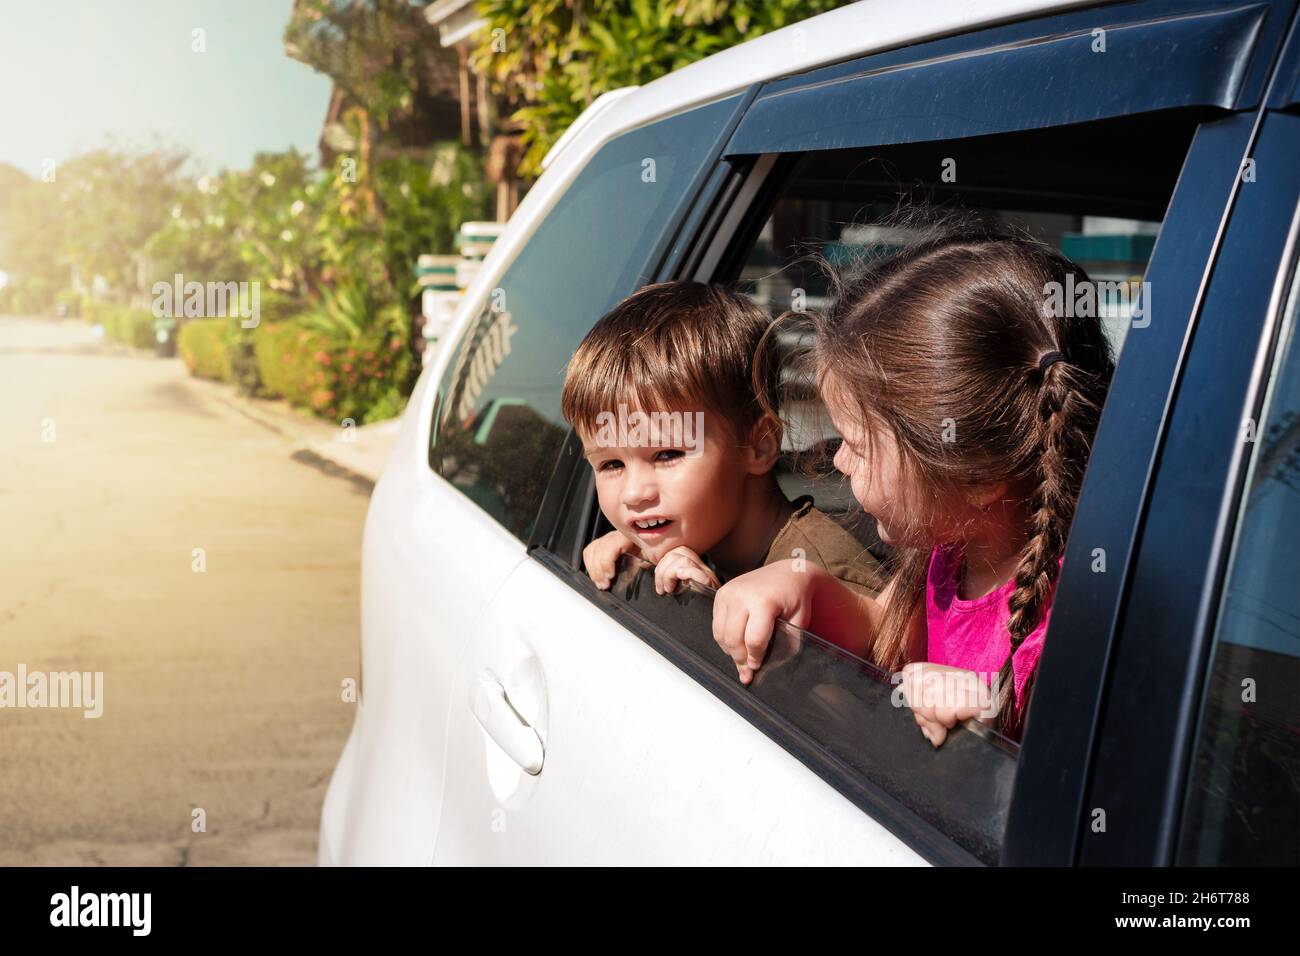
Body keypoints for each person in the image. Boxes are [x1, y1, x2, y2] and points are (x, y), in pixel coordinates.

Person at [711, 217, 1114, 744]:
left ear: (975, 478)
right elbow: (891, 632)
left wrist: (989, 722)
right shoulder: (949, 546)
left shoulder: (1080, 614)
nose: (839, 463)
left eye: (857, 445)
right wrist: (804, 585)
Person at [561, 281, 884, 600]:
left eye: (667, 454)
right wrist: (640, 557)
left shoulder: (830, 588)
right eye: (611, 464)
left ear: (760, 445)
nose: (634, 493)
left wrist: (701, 608)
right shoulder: (703, 542)